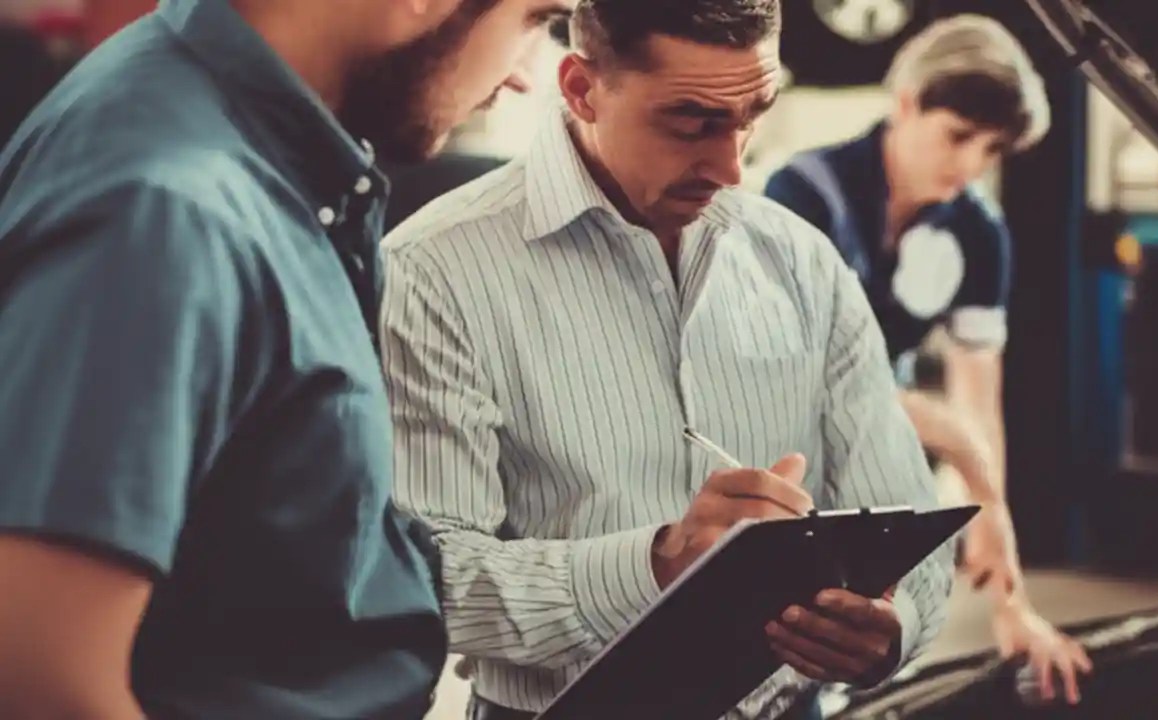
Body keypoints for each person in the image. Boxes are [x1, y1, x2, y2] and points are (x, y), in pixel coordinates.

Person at [380, 1, 955, 718]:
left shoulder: (802, 262)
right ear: (581, 88)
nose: (732, 168)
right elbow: (425, 580)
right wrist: (657, 565)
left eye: (754, 115)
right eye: (692, 123)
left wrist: (891, 632)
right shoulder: (435, 270)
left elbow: (911, 526)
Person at [0, 0, 572, 717]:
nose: (524, 76)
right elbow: (40, 678)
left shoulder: (231, 140)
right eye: (533, 19)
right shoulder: (170, 210)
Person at [763, 14, 1092, 704]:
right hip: (782, 452)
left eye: (992, 149)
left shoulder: (979, 232)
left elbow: (979, 401)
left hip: (886, 453)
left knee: (880, 650)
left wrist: (1010, 592)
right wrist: (965, 454)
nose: (971, 164)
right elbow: (814, 377)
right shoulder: (801, 196)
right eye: (959, 136)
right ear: (905, 102)